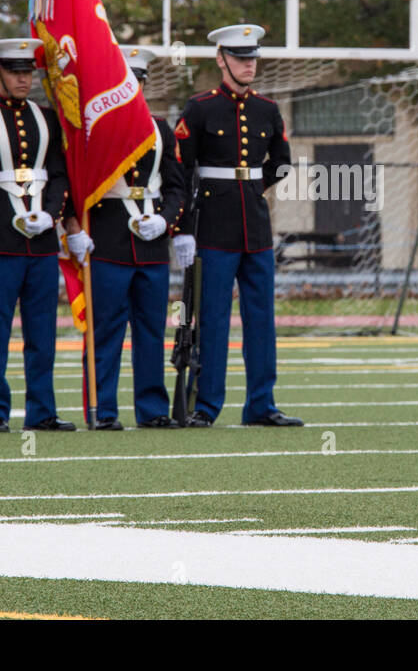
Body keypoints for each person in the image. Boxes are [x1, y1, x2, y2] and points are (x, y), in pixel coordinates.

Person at [171, 24, 300, 428]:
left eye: (253, 58)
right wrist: (183, 227)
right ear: (221, 60)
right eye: (242, 59)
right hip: (213, 226)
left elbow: (281, 160)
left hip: (255, 227)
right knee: (211, 319)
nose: (250, 65)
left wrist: (253, 186)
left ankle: (261, 405)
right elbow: (181, 167)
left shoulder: (268, 108)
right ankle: (206, 406)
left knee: (261, 319)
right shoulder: (200, 108)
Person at [62, 45, 187, 430]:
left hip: (150, 245)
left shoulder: (161, 130)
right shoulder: (93, 129)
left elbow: (179, 188)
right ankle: (103, 411)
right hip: (108, 240)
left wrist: (166, 221)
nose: (135, 88)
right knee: (106, 331)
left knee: (151, 331)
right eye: (127, 82)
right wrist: (73, 228)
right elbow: (72, 184)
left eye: (139, 82)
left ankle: (152, 410)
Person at [0, 38, 75, 432]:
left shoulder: (46, 117)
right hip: (0, 240)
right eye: (14, 71)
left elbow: (60, 174)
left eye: (28, 71)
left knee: (42, 332)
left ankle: (42, 411)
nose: (22, 79)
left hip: (41, 242)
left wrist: (51, 215)